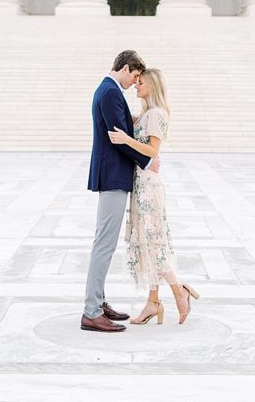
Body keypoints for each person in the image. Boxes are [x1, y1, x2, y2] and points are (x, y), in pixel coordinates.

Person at [110, 67, 200, 324]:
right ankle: (152, 302)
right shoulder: (145, 114)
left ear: (153, 85)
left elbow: (152, 150)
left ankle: (179, 290)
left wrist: (126, 139)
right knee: (147, 244)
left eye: (141, 82)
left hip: (150, 187)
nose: (136, 85)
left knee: (154, 243)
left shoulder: (157, 114)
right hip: (140, 184)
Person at [82, 49, 160, 332]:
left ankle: (98, 302)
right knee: (104, 244)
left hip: (112, 174)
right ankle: (91, 311)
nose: (135, 83)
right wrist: (148, 160)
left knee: (104, 242)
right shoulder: (111, 92)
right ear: (126, 68)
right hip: (113, 176)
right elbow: (119, 138)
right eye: (136, 76)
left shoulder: (107, 90)